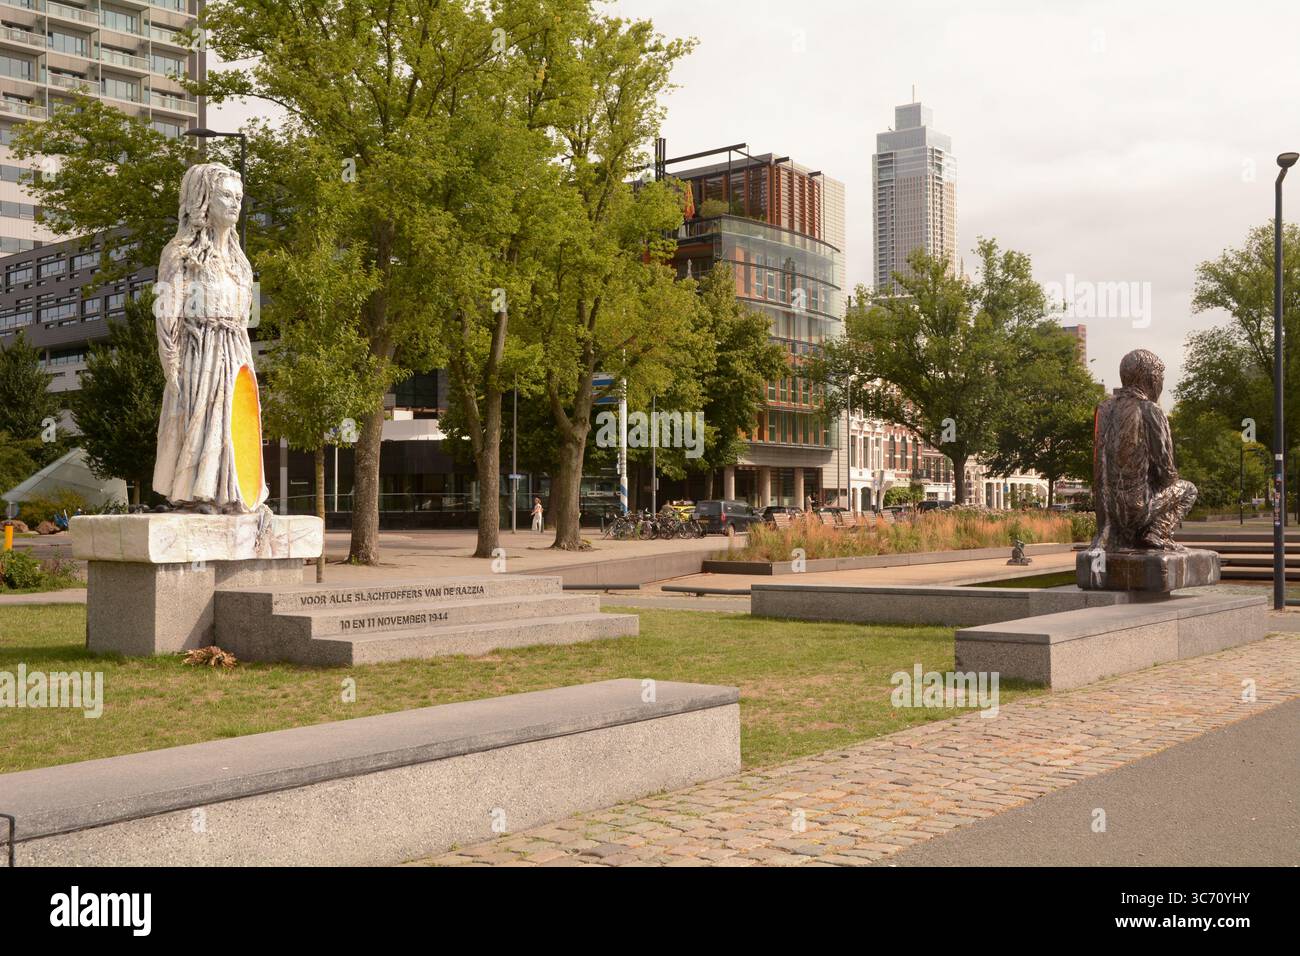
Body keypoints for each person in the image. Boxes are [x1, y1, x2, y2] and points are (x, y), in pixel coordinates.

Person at [152, 162, 268, 515]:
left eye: (239, 197)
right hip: (199, 350)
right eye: (226, 196)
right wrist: (171, 362)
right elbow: (166, 311)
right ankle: (197, 491)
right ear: (204, 198)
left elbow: (248, 315)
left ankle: (234, 493)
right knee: (203, 418)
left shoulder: (241, 261)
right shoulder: (180, 253)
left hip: (235, 348)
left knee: (236, 420)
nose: (235, 204)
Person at [1090, 349, 1197, 552]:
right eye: (1161, 379)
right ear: (1151, 379)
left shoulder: (1103, 409)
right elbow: (1166, 471)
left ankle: (1127, 537)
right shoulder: (1150, 409)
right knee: (1188, 490)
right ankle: (1157, 533)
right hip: (1135, 508)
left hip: (1105, 510)